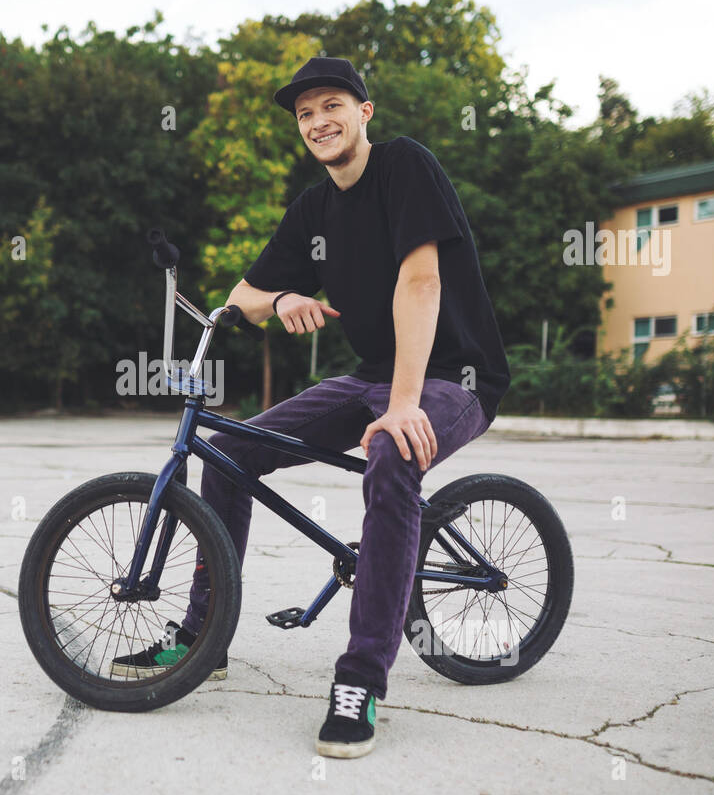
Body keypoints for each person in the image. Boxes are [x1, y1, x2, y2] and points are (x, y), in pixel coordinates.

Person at [115, 57, 510, 759]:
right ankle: (205, 639)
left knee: (390, 453)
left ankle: (361, 679)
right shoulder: (314, 209)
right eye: (305, 114)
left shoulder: (404, 167)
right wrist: (283, 299)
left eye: (332, 105)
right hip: (368, 376)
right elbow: (240, 298)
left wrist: (405, 404)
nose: (319, 121)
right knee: (230, 452)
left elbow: (421, 283)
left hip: (455, 377)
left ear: (365, 112)